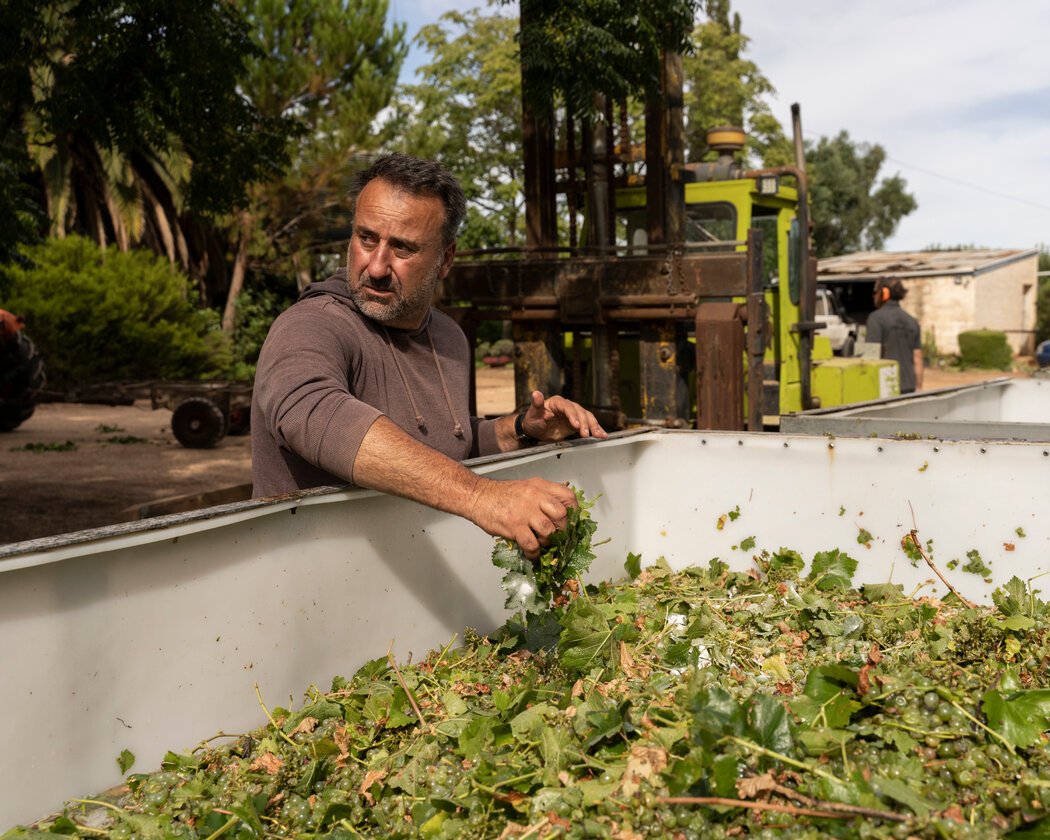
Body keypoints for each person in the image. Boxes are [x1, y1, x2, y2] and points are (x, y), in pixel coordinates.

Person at [251, 152, 607, 558]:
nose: (378, 265)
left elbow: (451, 443)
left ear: (445, 260)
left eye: (402, 248)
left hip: (415, 587)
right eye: (367, 238)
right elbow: (312, 413)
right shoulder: (310, 324)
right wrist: (482, 497)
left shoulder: (450, 337)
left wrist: (522, 430)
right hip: (303, 586)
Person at [866, 276, 924, 394]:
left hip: (885, 385)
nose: (874, 296)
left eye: (875, 292)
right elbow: (917, 357)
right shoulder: (912, 321)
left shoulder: (876, 318)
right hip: (908, 387)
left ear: (884, 293)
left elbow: (870, 356)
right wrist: (919, 386)